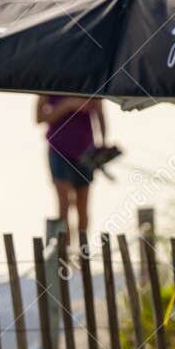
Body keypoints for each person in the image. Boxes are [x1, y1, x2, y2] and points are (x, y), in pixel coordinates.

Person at [35, 94, 107, 251]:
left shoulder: (90, 79)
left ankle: (82, 253)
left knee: (82, 206)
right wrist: (68, 105)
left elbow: (99, 111)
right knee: (64, 203)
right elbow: (39, 118)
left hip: (86, 153)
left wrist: (103, 145)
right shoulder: (48, 80)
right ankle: (64, 253)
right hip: (58, 151)